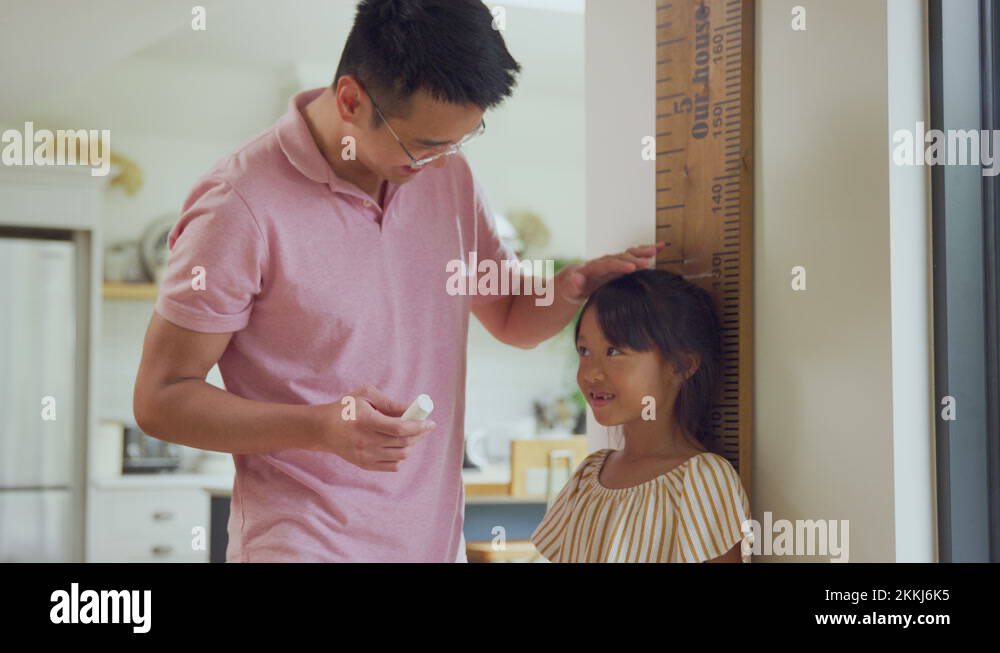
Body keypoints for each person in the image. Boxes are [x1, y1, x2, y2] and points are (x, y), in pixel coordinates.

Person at [133, 0, 663, 562]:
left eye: (461, 140)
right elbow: (161, 400)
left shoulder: (449, 176)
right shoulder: (238, 206)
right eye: (424, 145)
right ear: (351, 100)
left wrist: (570, 287)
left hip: (433, 545)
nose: (440, 163)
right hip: (304, 545)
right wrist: (321, 427)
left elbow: (510, 316)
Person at [530, 269, 753, 562]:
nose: (591, 373)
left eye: (613, 351)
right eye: (584, 350)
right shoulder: (587, 477)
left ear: (681, 365)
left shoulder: (702, 480)